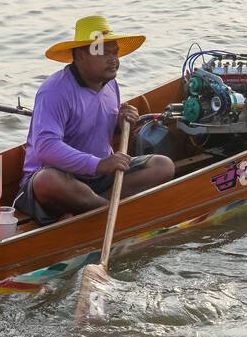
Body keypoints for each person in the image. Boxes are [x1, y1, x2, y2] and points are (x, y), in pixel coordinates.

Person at [14, 15, 174, 225]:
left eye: (115, 52)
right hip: (63, 177)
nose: (113, 59)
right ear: (80, 55)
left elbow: (100, 128)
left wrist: (121, 123)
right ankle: (111, 213)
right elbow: (46, 148)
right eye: (102, 53)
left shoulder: (110, 84)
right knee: (47, 181)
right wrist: (98, 165)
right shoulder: (54, 91)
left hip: (99, 178)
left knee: (163, 165)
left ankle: (92, 209)